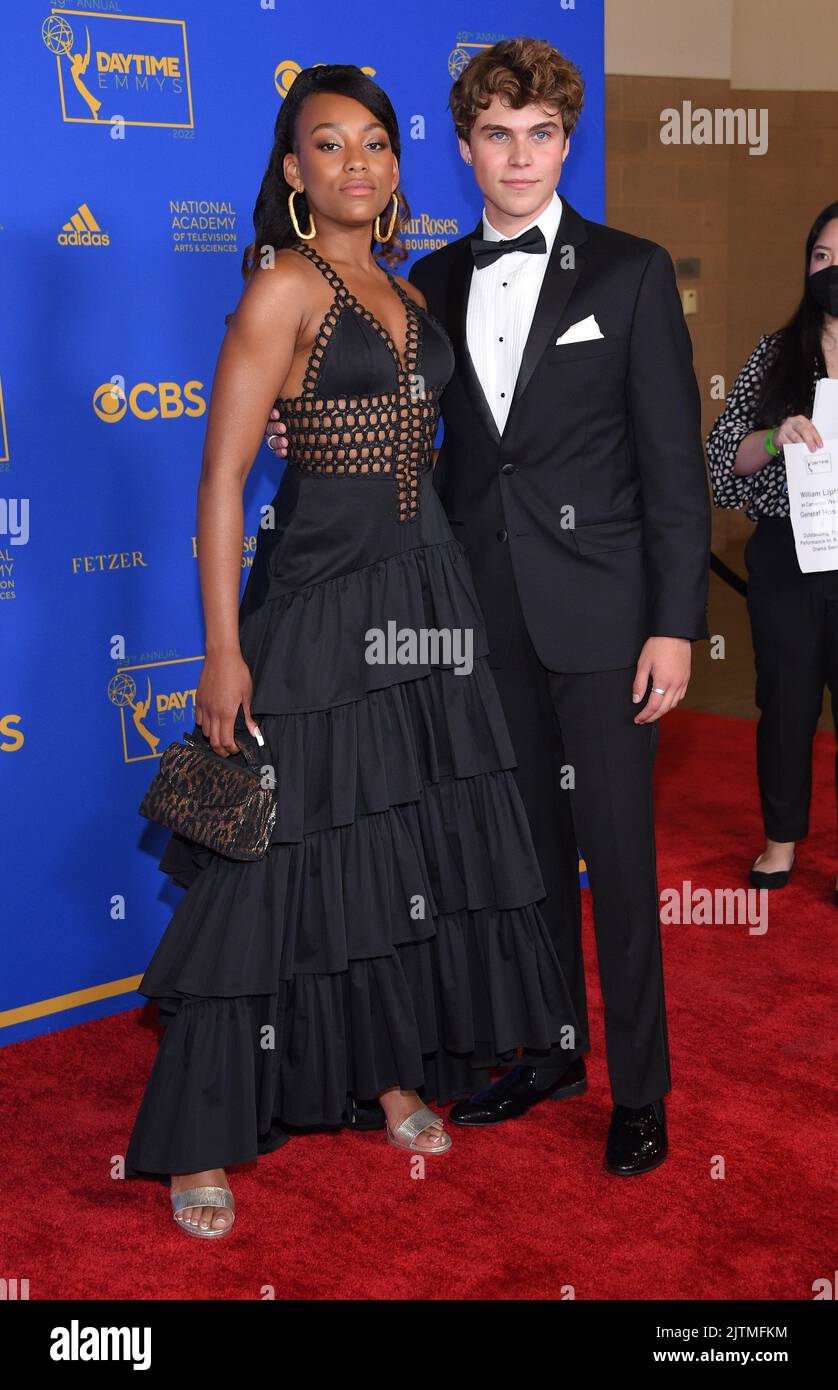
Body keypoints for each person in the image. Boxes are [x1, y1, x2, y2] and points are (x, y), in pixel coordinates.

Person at [125, 63, 582, 1239]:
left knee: (400, 843)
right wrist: (224, 649)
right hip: (320, 607)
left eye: (374, 142)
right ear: (292, 173)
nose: (357, 162)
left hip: (422, 600)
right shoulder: (284, 285)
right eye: (327, 146)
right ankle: (197, 1137)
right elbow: (222, 479)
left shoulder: (409, 289)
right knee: (272, 864)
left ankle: (384, 1072)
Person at [267, 38, 712, 1177]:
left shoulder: (631, 270)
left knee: (614, 858)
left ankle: (640, 1090)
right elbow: (397, 429)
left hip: (608, 620)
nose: (519, 156)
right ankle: (554, 1052)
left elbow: (673, 466)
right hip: (477, 616)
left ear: (567, 142)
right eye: (496, 135)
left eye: (541, 135)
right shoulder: (436, 282)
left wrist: (672, 621)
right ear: (464, 148)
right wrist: (294, 427)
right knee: (520, 860)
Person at [706, 200, 838, 900]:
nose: (833, 268)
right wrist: (774, 437)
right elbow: (724, 457)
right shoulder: (774, 353)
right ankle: (780, 842)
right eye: (821, 255)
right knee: (785, 704)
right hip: (789, 557)